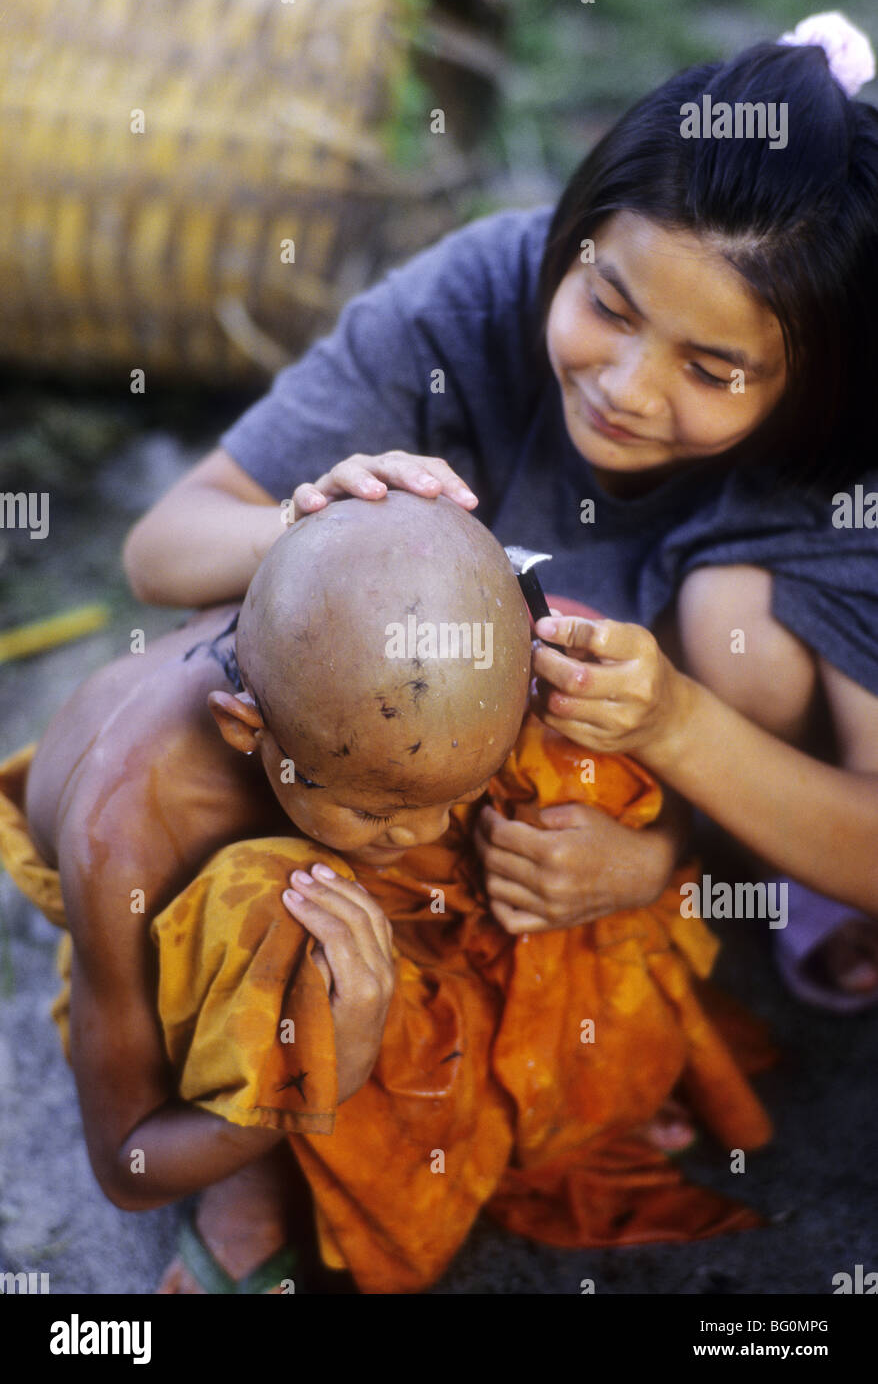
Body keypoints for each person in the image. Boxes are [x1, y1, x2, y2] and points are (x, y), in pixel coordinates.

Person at [123, 11, 878, 1013]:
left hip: (680, 793)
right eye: (607, 306)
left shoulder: (838, 464)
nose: (626, 387)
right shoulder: (473, 299)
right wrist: (312, 531)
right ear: (572, 238)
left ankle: (740, 895)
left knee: (738, 623)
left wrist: (667, 796)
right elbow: (160, 551)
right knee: (222, 645)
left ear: (807, 380)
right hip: (416, 790)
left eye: (709, 369)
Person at [0, 494, 772, 1294]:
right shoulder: (130, 833)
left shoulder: (502, 641)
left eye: (453, 797)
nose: (423, 834)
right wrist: (326, 1069)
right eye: (376, 812)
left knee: (578, 762)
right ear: (244, 728)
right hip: (215, 945)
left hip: (348, 782)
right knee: (265, 911)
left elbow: (672, 774)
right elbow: (129, 1161)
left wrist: (646, 858)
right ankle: (256, 1179)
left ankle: (577, 1087)